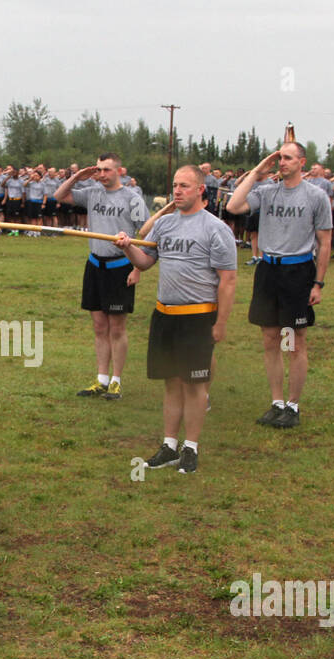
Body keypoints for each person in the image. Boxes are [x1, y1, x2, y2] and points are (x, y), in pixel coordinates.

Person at [115, 165, 236, 474]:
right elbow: (145, 263)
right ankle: (169, 445)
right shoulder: (164, 225)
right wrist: (129, 248)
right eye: (175, 185)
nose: (178, 191)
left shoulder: (215, 228)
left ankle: (190, 448)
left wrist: (220, 323)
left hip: (197, 318)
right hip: (164, 315)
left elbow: (228, 280)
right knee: (171, 383)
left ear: (200, 190)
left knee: (195, 385)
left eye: (184, 186)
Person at [226, 142, 333, 428]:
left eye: (287, 158)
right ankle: (277, 402)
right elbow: (233, 205)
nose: (282, 162)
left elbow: (325, 243)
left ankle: (293, 406)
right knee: (271, 339)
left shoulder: (316, 196)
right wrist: (259, 170)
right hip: (268, 270)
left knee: (294, 343)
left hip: (297, 272)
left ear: (302, 162)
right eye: (279, 158)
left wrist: (318, 283)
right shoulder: (266, 191)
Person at [56, 153, 147, 400]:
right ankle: (101, 380)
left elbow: (146, 236)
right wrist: (78, 176)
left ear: (119, 171)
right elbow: (60, 196)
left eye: (107, 169)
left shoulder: (132, 198)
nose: (102, 174)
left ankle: (116, 381)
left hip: (121, 268)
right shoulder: (92, 192)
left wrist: (138, 269)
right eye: (99, 169)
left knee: (117, 328)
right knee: (99, 326)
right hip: (95, 266)